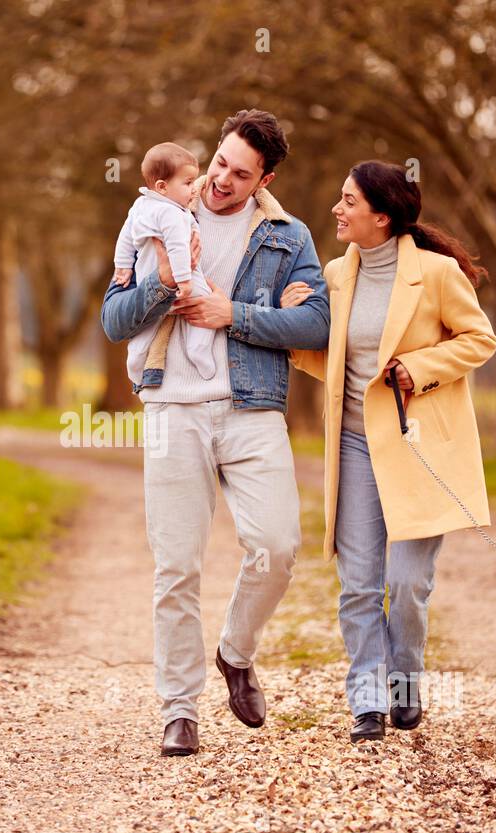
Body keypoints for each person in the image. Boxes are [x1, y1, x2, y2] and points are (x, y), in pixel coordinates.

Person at [101, 109, 330, 757]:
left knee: (278, 547)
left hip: (252, 405)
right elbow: (114, 321)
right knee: (176, 566)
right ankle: (179, 710)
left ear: (266, 178)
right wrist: (161, 284)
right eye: (219, 164)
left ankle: (235, 651)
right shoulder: (157, 214)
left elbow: (316, 323)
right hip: (172, 408)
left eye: (240, 173)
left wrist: (236, 314)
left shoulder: (289, 236)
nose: (222, 181)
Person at [286, 160, 496, 743]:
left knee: (406, 584)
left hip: (416, 446)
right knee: (358, 583)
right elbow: (328, 356)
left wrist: (419, 369)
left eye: (348, 200)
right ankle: (367, 702)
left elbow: (480, 338)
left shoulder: (435, 274)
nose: (337, 208)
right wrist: (292, 321)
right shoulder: (335, 273)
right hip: (353, 445)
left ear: (381, 217)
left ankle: (405, 682)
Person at [112, 142, 217, 385]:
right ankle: (198, 349)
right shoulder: (171, 213)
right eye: (188, 183)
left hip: (148, 283)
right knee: (206, 303)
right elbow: (178, 248)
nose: (194, 189)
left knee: (148, 325)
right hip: (181, 278)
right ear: (162, 186)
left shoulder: (140, 206)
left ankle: (135, 361)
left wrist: (123, 266)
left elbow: (125, 236)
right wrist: (184, 281)